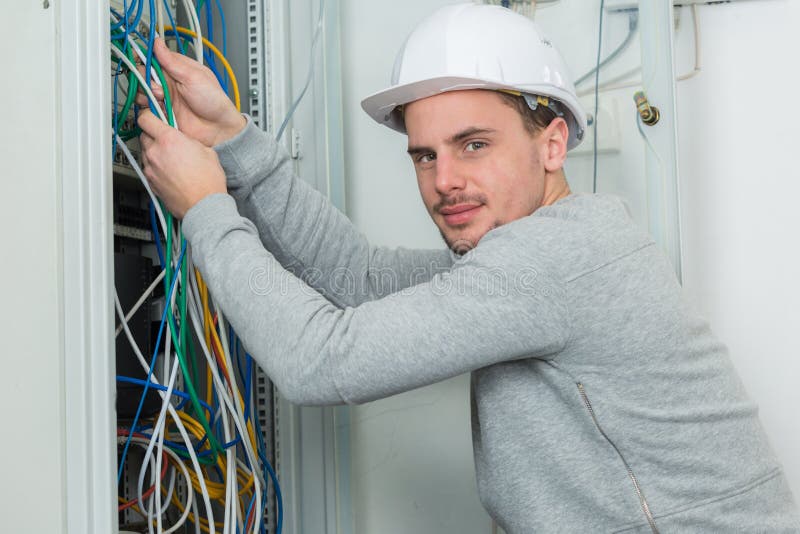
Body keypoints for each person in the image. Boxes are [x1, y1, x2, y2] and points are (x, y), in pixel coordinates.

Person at [136, 3, 800, 532]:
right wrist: (234, 142)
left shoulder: (556, 259)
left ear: (552, 143)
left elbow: (321, 360)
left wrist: (207, 209)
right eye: (425, 155)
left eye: (473, 145)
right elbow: (360, 279)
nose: (444, 180)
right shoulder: (548, 248)